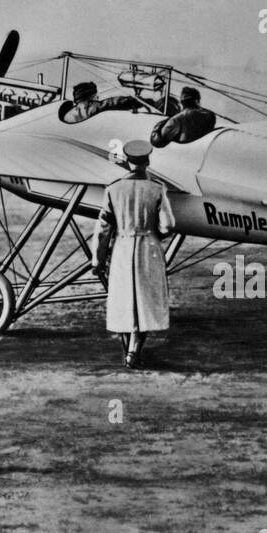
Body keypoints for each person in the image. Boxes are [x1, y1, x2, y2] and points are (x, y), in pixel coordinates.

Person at [90, 139, 176, 369]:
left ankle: (127, 350)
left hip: (122, 247)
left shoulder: (113, 188)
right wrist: (156, 234)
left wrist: (97, 259)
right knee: (145, 303)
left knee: (122, 302)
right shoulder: (157, 188)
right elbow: (168, 224)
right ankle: (134, 352)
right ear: (147, 161)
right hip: (149, 247)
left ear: (127, 162)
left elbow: (103, 229)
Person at [150, 86, 217, 147]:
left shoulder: (175, 120)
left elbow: (157, 142)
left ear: (182, 102)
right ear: (197, 101)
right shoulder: (210, 116)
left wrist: (161, 124)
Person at [60, 81, 142, 123]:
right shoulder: (91, 107)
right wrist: (137, 101)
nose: (98, 97)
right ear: (91, 97)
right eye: (96, 95)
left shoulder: (70, 112)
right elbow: (112, 102)